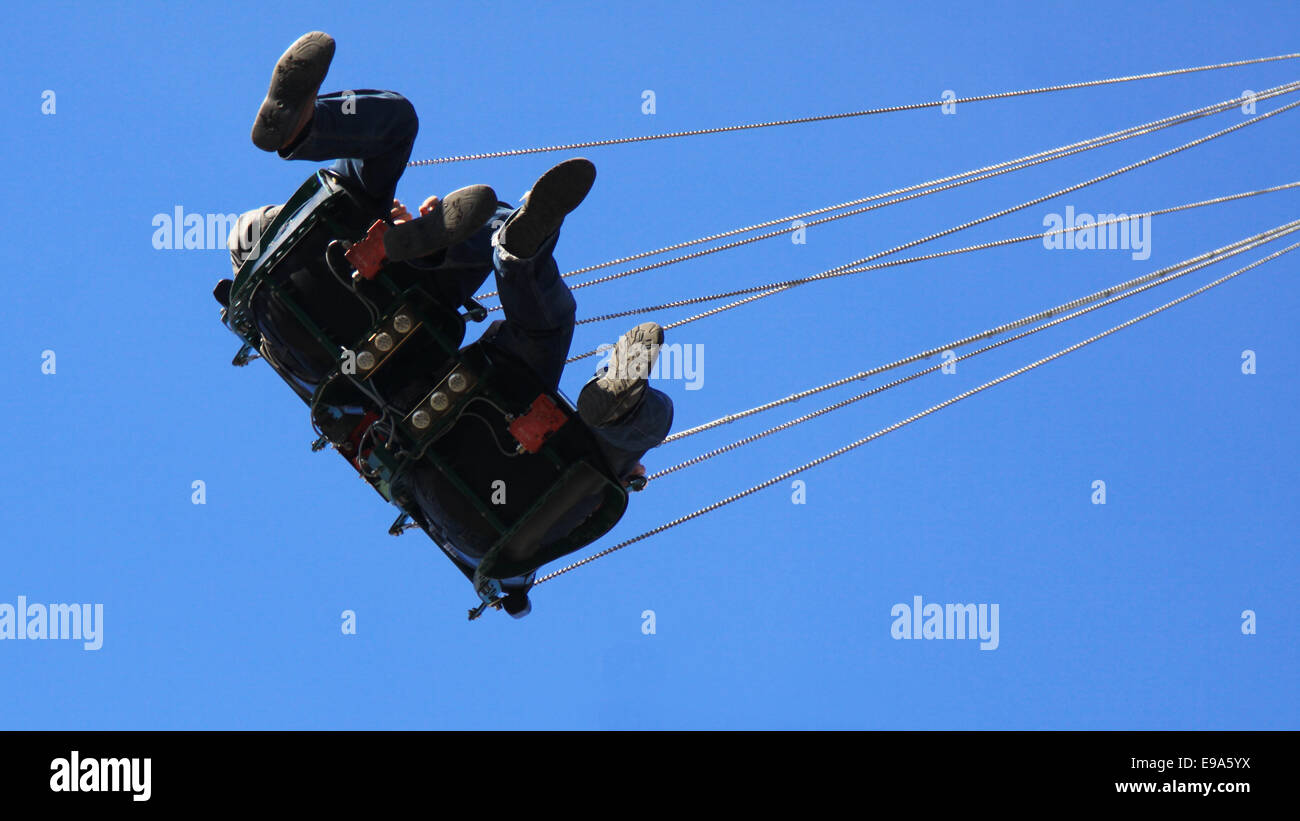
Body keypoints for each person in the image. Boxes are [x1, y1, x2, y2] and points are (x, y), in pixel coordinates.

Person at [219, 32, 674, 611]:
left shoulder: (281, 313)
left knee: (546, 326)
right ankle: (496, 248)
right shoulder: (318, 247)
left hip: (390, 349)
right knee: (403, 137)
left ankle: (505, 255)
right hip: (424, 364)